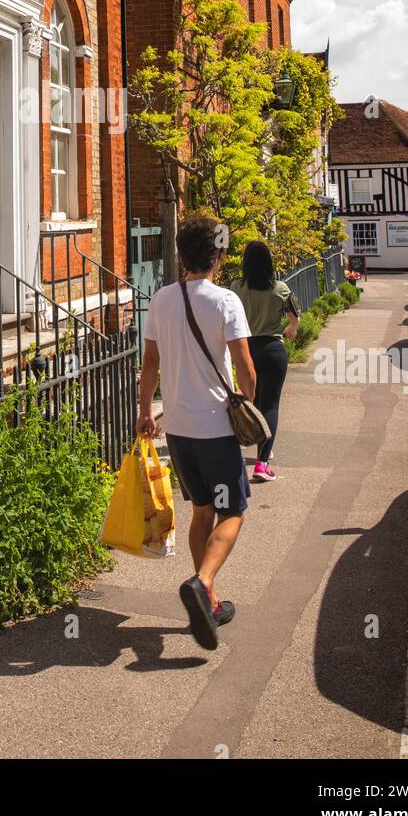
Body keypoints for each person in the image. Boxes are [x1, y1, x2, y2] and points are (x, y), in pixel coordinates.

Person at [137, 214, 257, 652]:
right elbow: (246, 367)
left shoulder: (161, 300)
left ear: (181, 253)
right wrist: (248, 407)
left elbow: (149, 363)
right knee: (233, 513)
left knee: (202, 511)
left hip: (179, 430)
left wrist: (144, 411)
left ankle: (208, 600)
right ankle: (201, 580)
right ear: (217, 256)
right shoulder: (225, 301)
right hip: (216, 430)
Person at [231, 241, 299, 481]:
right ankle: (262, 463)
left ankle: (261, 446)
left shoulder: (236, 288)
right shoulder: (280, 288)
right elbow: (294, 318)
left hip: (245, 349)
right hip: (272, 349)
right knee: (270, 405)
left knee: (251, 399)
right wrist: (290, 329)